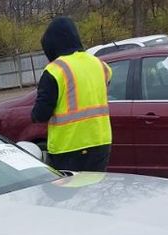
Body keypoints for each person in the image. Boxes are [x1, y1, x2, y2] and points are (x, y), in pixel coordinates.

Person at [31, 17, 112, 173]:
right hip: (101, 142)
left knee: (69, 195)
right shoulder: (100, 64)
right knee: (93, 192)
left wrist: (34, 114)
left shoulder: (55, 70)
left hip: (69, 147)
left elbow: (40, 114)